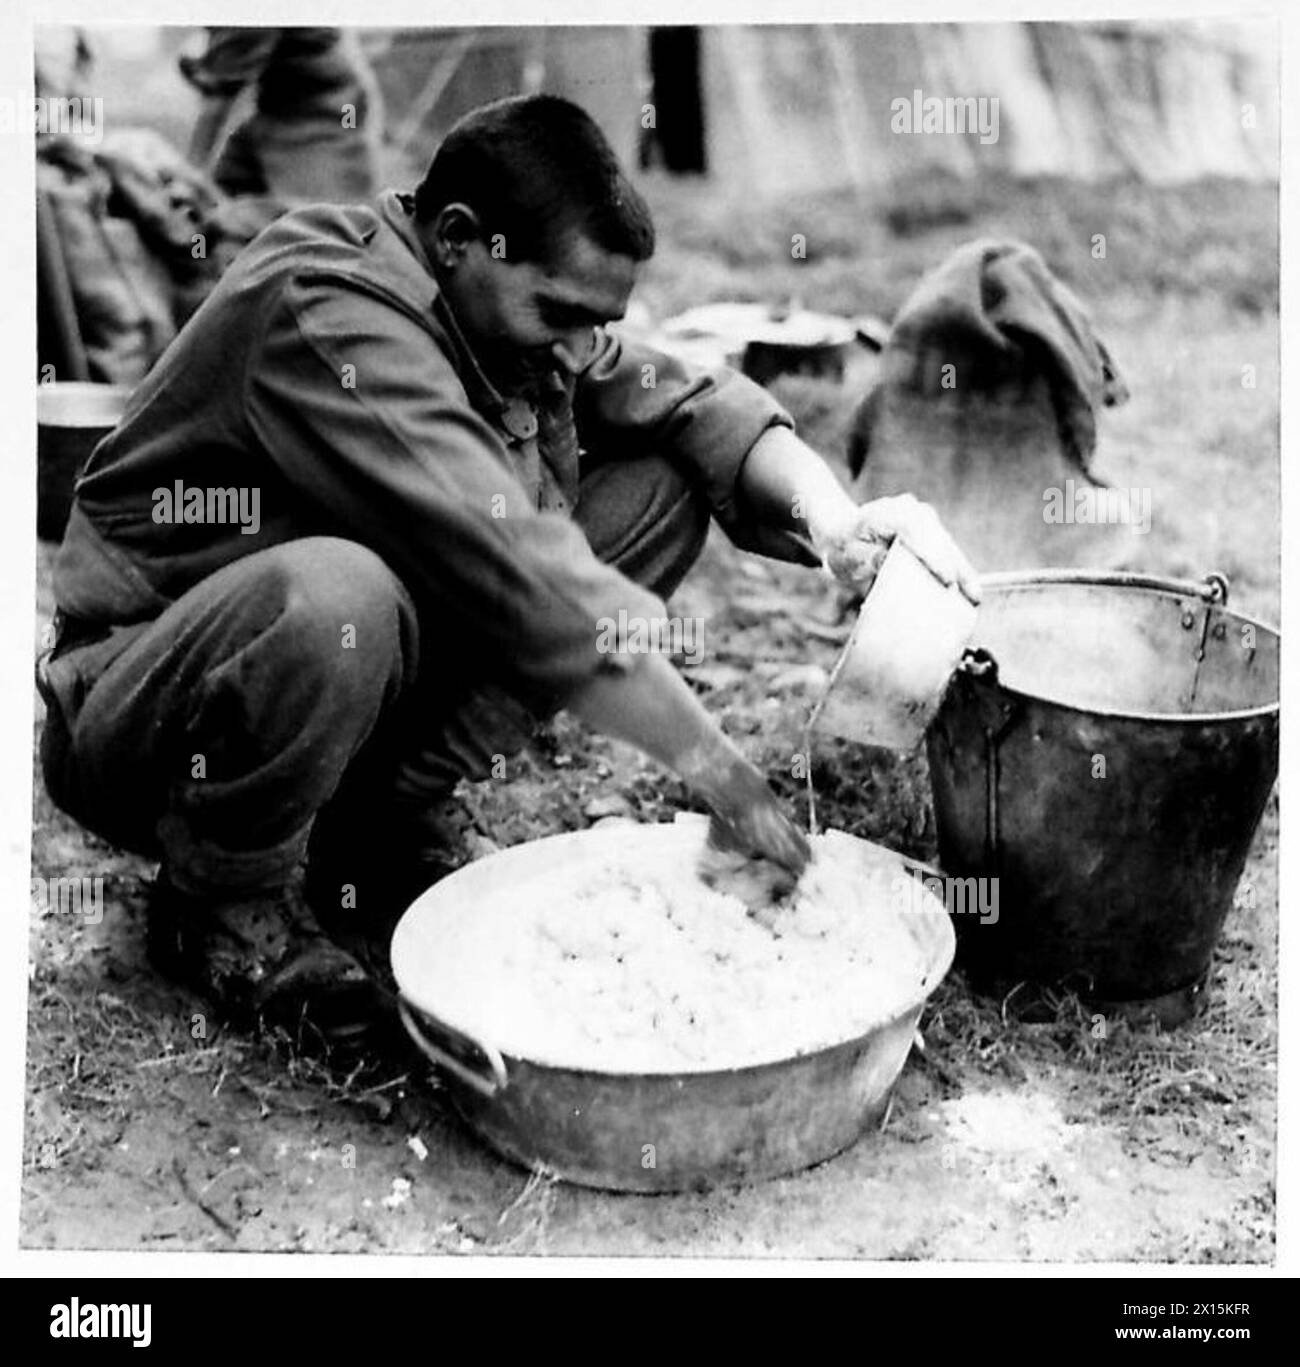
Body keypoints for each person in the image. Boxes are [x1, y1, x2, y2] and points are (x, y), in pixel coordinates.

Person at [38, 95, 978, 1051]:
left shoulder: (503, 312)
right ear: (459, 238)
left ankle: (379, 823)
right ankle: (222, 899)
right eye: (562, 313)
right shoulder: (330, 310)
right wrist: (724, 780)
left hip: (328, 682)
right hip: (142, 707)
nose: (579, 346)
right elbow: (522, 571)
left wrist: (836, 524)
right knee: (337, 597)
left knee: (658, 487)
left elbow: (697, 402)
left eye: (595, 321)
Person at [180, 27, 379, 205]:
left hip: (332, 109)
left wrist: (192, 175)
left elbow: (220, 93)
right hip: (272, 106)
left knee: (329, 224)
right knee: (214, 210)